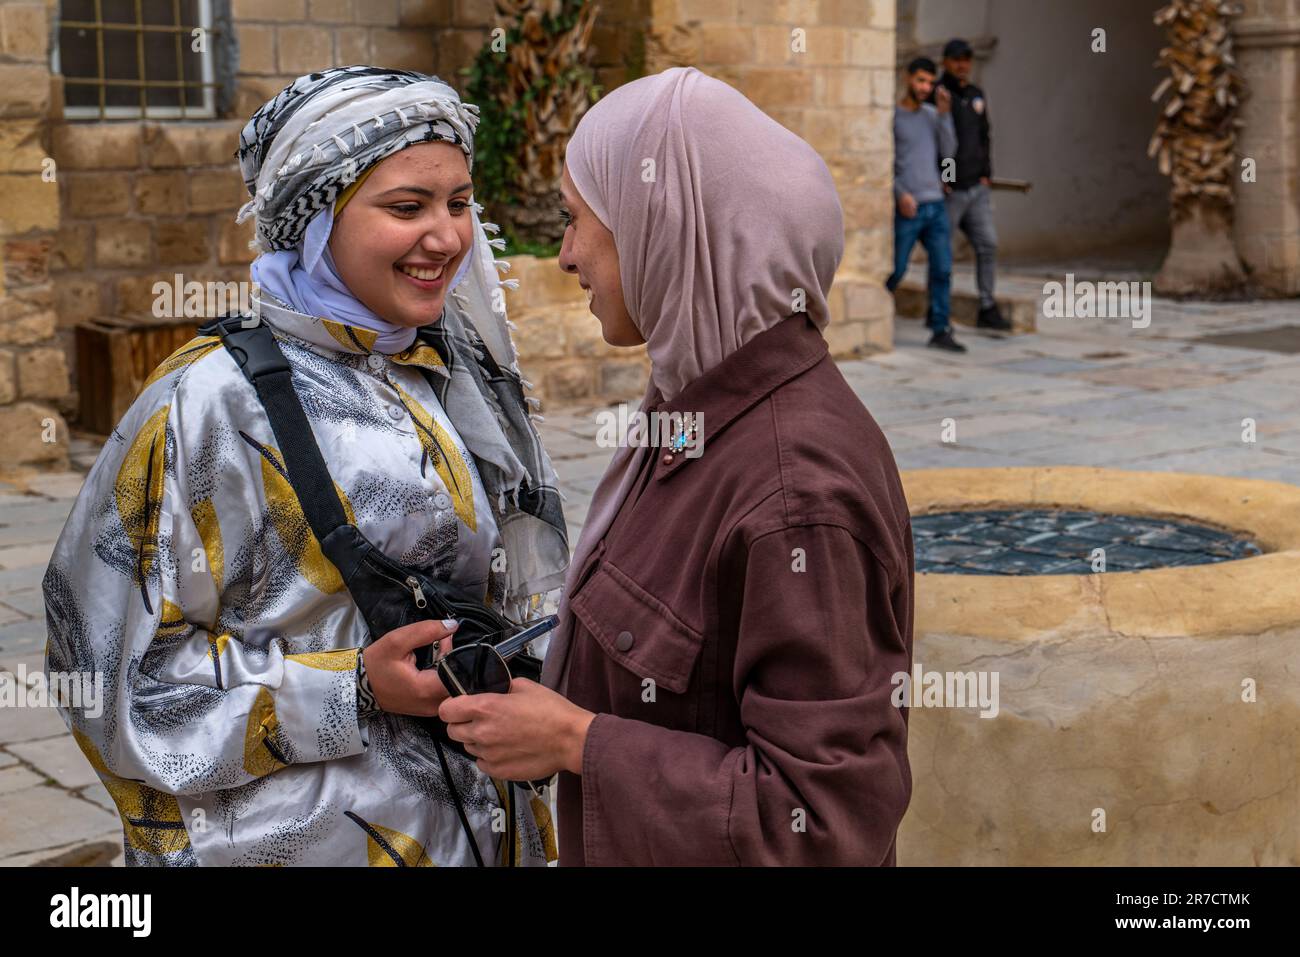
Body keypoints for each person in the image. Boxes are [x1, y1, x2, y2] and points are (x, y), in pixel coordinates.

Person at [40, 66, 569, 866]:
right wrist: (352, 688)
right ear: (314, 219)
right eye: (406, 207)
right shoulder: (208, 404)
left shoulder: (456, 375)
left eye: (459, 203)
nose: (447, 236)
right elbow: (108, 678)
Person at [436, 67, 916, 866]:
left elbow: (823, 823)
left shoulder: (794, 488)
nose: (563, 255)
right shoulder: (693, 415)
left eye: (579, 220)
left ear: (664, 224)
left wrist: (578, 741)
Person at [887, 56, 964, 353]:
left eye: (930, 82)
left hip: (935, 204)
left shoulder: (934, 115)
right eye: (920, 81)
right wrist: (899, 193)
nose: (925, 87)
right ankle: (878, 319)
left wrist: (945, 116)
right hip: (909, 205)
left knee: (943, 269)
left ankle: (941, 329)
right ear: (908, 78)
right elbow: (885, 161)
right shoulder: (893, 116)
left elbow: (948, 153)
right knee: (896, 268)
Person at [932, 38, 1010, 332]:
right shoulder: (938, 96)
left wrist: (986, 172)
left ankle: (987, 306)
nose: (962, 65)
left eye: (966, 59)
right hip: (952, 190)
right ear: (946, 62)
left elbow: (984, 135)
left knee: (988, 244)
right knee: (943, 252)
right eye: (956, 59)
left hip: (976, 188)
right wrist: (947, 178)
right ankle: (939, 313)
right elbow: (942, 144)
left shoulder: (976, 94)